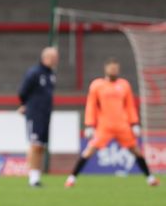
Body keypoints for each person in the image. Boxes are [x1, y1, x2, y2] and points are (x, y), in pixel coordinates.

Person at [65, 58, 160, 187]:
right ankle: (72, 178)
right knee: (89, 150)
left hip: (122, 125)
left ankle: (150, 179)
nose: (113, 70)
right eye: (111, 68)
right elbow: (91, 106)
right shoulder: (97, 85)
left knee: (136, 151)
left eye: (115, 68)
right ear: (106, 69)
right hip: (104, 126)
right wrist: (89, 125)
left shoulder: (124, 85)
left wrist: (134, 123)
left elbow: (130, 106)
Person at [17, 47, 59, 187]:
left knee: (41, 146)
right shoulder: (34, 73)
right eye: (53, 57)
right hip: (35, 114)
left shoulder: (51, 74)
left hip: (45, 115)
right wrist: (26, 105)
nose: (55, 60)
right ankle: (32, 178)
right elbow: (23, 91)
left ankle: (36, 176)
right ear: (45, 57)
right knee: (35, 145)